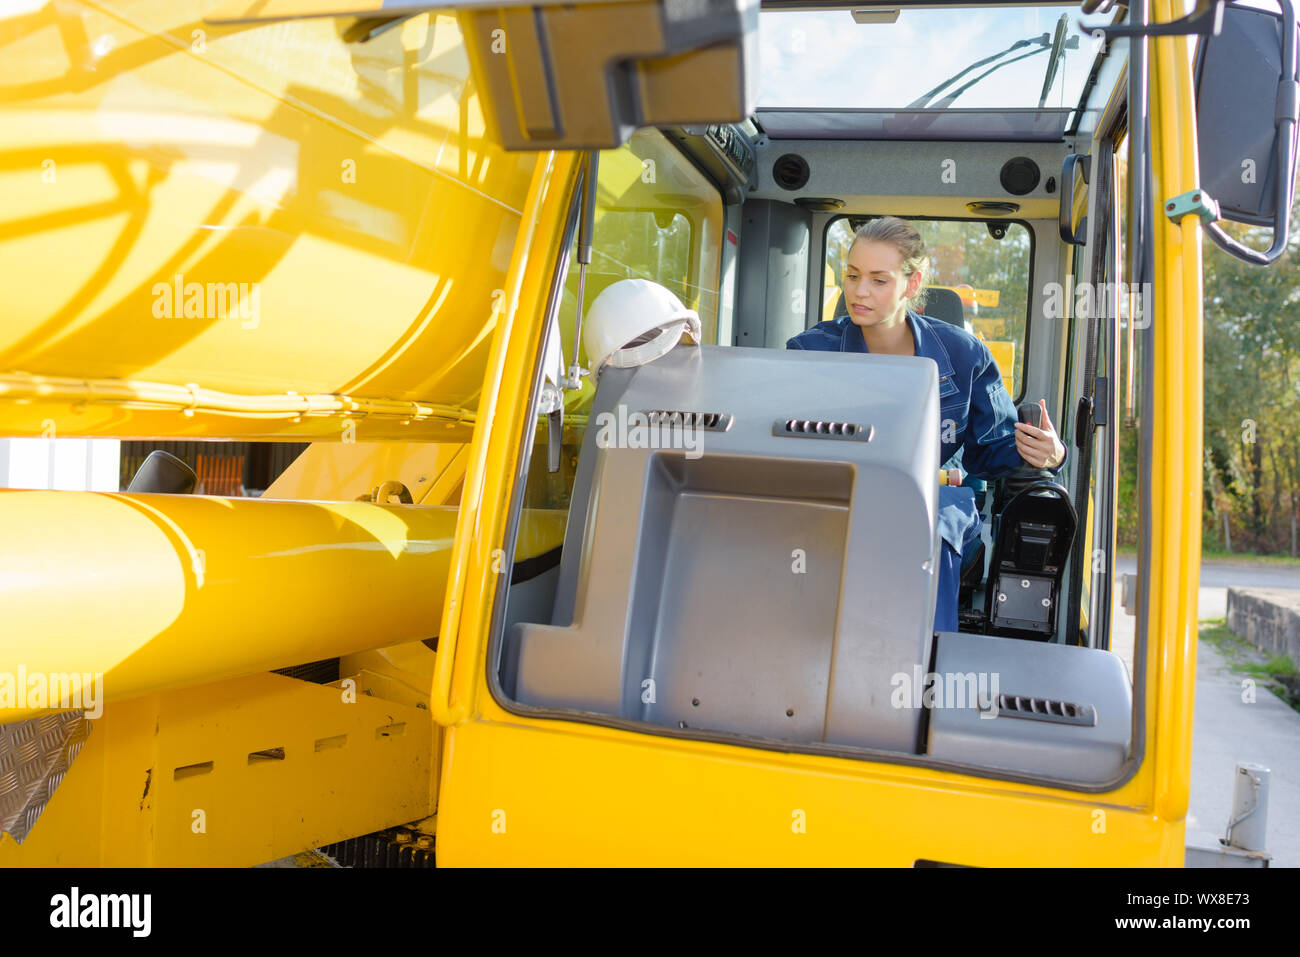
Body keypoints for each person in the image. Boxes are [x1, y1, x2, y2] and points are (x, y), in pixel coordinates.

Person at [786, 216, 1066, 632]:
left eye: (879, 280)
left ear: (912, 284)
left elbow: (990, 451)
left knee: (929, 528)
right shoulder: (809, 351)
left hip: (929, 500)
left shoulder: (964, 355)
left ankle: (924, 668)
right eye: (852, 275)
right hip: (838, 495)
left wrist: (1050, 454)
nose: (859, 291)